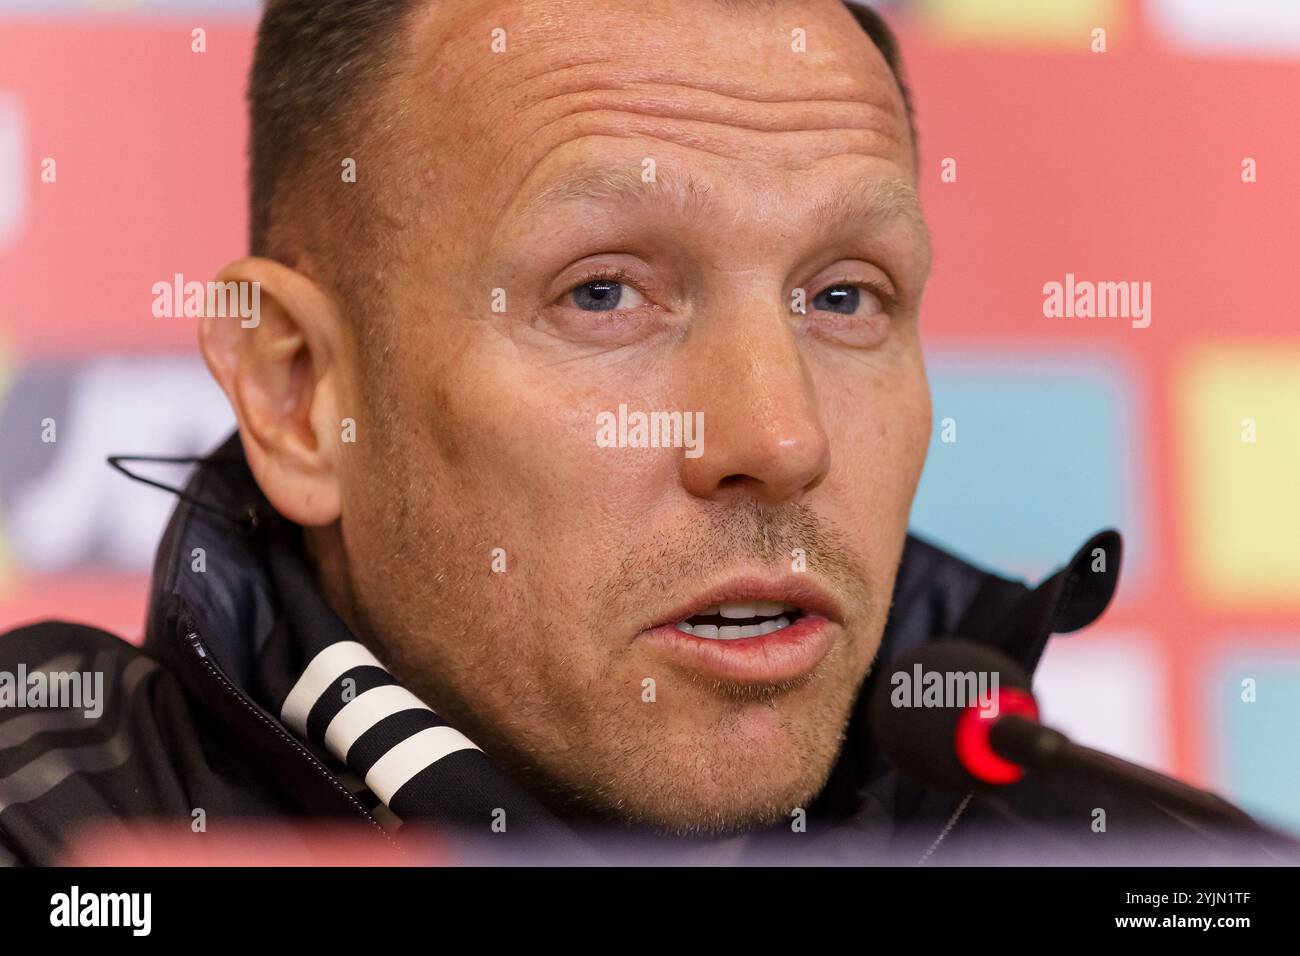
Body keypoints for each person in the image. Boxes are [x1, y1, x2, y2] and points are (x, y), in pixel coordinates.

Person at [0, 0, 1276, 866]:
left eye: (843, 295)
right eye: (603, 293)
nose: (779, 439)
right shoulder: (44, 827)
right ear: (297, 390)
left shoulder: (1171, 861)